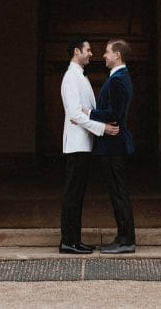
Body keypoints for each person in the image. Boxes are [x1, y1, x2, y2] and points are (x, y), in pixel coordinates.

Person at [58, 38, 117, 254]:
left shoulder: (80, 76)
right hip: (76, 145)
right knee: (72, 194)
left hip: (84, 144)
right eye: (88, 50)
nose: (92, 53)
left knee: (78, 194)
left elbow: (88, 109)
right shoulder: (70, 78)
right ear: (76, 51)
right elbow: (74, 114)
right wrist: (102, 129)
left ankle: (75, 239)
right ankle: (68, 241)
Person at [77, 38, 136, 254]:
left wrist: (89, 113)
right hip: (111, 145)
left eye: (108, 52)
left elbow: (114, 114)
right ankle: (123, 237)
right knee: (117, 193)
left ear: (117, 55)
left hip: (114, 146)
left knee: (119, 193)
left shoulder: (118, 80)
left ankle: (126, 240)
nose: (104, 55)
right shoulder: (117, 78)